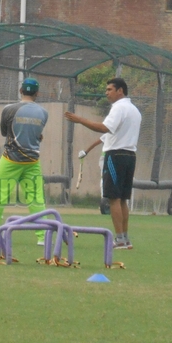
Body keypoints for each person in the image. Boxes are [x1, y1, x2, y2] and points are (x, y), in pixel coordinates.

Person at [64, 77, 142, 250]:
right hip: (130, 156)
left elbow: (103, 128)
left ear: (120, 90)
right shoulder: (134, 109)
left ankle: (120, 240)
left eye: (109, 90)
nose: (106, 93)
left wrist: (80, 119)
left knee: (113, 198)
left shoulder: (119, 108)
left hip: (116, 156)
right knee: (122, 199)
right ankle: (125, 239)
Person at [0, 78, 48, 244]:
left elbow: (4, 132)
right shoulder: (43, 112)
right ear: (37, 93)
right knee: (36, 199)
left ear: (21, 91)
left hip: (11, 160)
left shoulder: (9, 109)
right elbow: (37, 135)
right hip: (32, 161)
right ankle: (43, 237)